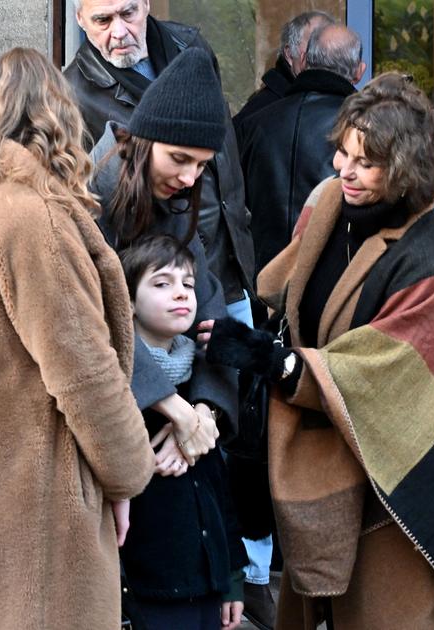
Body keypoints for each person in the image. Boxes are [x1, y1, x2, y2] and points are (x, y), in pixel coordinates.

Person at [210, 73, 434, 629]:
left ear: (405, 168)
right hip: (325, 459)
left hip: (398, 479)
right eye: (343, 152)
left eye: (366, 162)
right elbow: (280, 286)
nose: (345, 169)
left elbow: (387, 374)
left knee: (389, 615)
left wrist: (284, 364)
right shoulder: (327, 204)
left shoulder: (428, 258)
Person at [0, 47, 155, 629]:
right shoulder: (35, 220)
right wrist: (128, 474)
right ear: (59, 118)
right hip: (36, 499)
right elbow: (85, 375)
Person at [88, 46, 258, 628]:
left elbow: (214, 316)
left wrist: (203, 415)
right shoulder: (91, 199)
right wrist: (174, 409)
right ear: (142, 141)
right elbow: (90, 329)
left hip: (177, 462)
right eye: (180, 159)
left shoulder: (177, 199)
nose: (189, 177)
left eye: (202, 166)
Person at [63, 0, 257, 331]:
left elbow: (223, 152)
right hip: (152, 290)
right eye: (103, 20)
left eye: (128, 13)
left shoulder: (192, 46)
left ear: (147, 4)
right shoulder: (71, 95)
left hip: (225, 265)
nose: (119, 32)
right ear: (80, 19)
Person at [117, 234, 246, 630]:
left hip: (206, 584)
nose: (181, 293)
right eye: (162, 283)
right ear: (128, 302)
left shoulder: (200, 386)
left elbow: (218, 489)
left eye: (188, 284)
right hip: (148, 589)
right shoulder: (118, 391)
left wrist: (231, 578)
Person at [238, 23, 363, 276]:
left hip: (261, 277)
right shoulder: (363, 127)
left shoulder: (253, 124)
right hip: (335, 278)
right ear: (359, 72)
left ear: (304, 60)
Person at [232, 10, 336, 127]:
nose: (325, 52)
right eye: (315, 42)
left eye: (332, 44)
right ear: (290, 54)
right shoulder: (263, 110)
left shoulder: (336, 101)